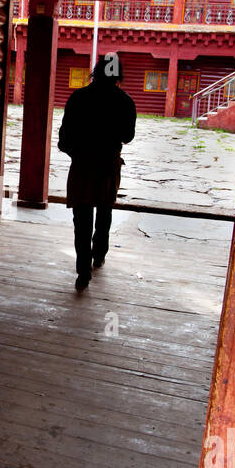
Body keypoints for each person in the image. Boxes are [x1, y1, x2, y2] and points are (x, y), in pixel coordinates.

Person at [56, 52, 136, 291]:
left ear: (96, 71)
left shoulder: (78, 97)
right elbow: (128, 136)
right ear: (118, 75)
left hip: (82, 165)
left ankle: (83, 273)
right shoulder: (125, 101)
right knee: (104, 211)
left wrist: (78, 152)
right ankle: (99, 254)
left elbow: (63, 140)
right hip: (108, 164)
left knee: (81, 219)